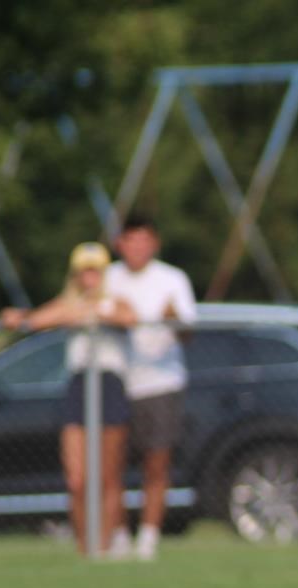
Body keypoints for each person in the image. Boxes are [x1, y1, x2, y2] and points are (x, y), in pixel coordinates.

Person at [0, 243, 138, 556]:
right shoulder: (68, 304)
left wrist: (95, 311)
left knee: (108, 475)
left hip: (109, 384)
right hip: (79, 385)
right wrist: (21, 318)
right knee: (77, 478)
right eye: (84, 272)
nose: (89, 278)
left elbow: (129, 317)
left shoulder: (115, 301)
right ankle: (85, 548)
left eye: (95, 271)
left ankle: (108, 544)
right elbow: (40, 318)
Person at [105, 214, 197, 560]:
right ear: (120, 243)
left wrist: (173, 319)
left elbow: (188, 331)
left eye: (145, 240)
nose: (138, 248)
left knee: (156, 463)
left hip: (160, 382)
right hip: (116, 380)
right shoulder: (109, 278)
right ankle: (117, 536)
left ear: (155, 244)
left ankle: (148, 538)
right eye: (132, 240)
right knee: (111, 464)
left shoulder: (172, 279)